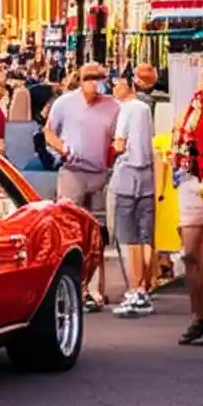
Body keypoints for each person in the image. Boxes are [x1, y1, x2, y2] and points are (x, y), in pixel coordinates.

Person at [44, 62, 120, 312]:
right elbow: (48, 133)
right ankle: (73, 287)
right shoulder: (64, 103)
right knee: (70, 232)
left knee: (97, 234)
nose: (93, 82)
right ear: (80, 79)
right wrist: (62, 148)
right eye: (89, 78)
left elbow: (118, 139)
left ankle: (95, 290)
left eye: (98, 78)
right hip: (72, 173)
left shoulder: (113, 107)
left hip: (100, 175)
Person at [109, 77, 156, 318]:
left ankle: (135, 290)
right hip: (147, 177)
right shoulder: (146, 109)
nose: (113, 88)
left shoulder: (126, 109)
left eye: (117, 83)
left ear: (130, 85)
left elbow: (119, 144)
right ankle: (145, 288)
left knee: (129, 237)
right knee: (146, 236)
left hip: (127, 176)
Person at [169, 64, 203, 344]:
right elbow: (177, 140)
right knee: (190, 253)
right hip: (191, 181)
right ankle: (198, 316)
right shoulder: (193, 104)